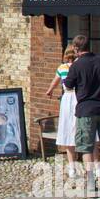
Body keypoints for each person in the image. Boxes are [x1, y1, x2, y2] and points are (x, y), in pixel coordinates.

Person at [62, 35, 100, 185]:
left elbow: (67, 86)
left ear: (76, 48)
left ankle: (90, 182)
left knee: (86, 147)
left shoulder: (76, 65)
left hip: (86, 111)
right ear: (90, 46)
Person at [43, 45, 80, 177]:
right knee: (80, 129)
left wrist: (49, 91)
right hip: (80, 98)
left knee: (67, 132)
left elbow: (54, 82)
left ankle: (72, 168)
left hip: (67, 98)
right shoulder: (79, 66)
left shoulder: (62, 68)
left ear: (65, 55)